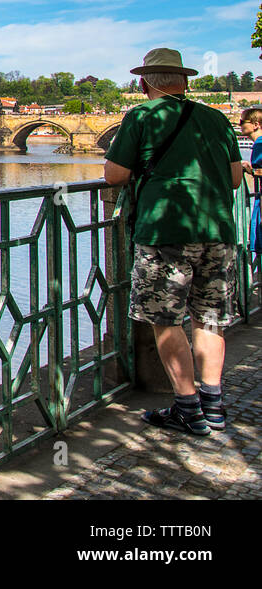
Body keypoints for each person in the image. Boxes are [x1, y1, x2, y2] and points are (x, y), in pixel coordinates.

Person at [103, 48, 243, 436]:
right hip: (218, 232)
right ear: (186, 82)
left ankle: (187, 407)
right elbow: (234, 179)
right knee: (209, 318)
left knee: (164, 319)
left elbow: (114, 175)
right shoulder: (217, 118)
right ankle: (214, 405)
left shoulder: (142, 116)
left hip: (165, 231)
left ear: (143, 82)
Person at [242, 106, 262, 255]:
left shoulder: (260, 144)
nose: (240, 125)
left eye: (243, 121)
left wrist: (250, 170)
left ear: (256, 125)